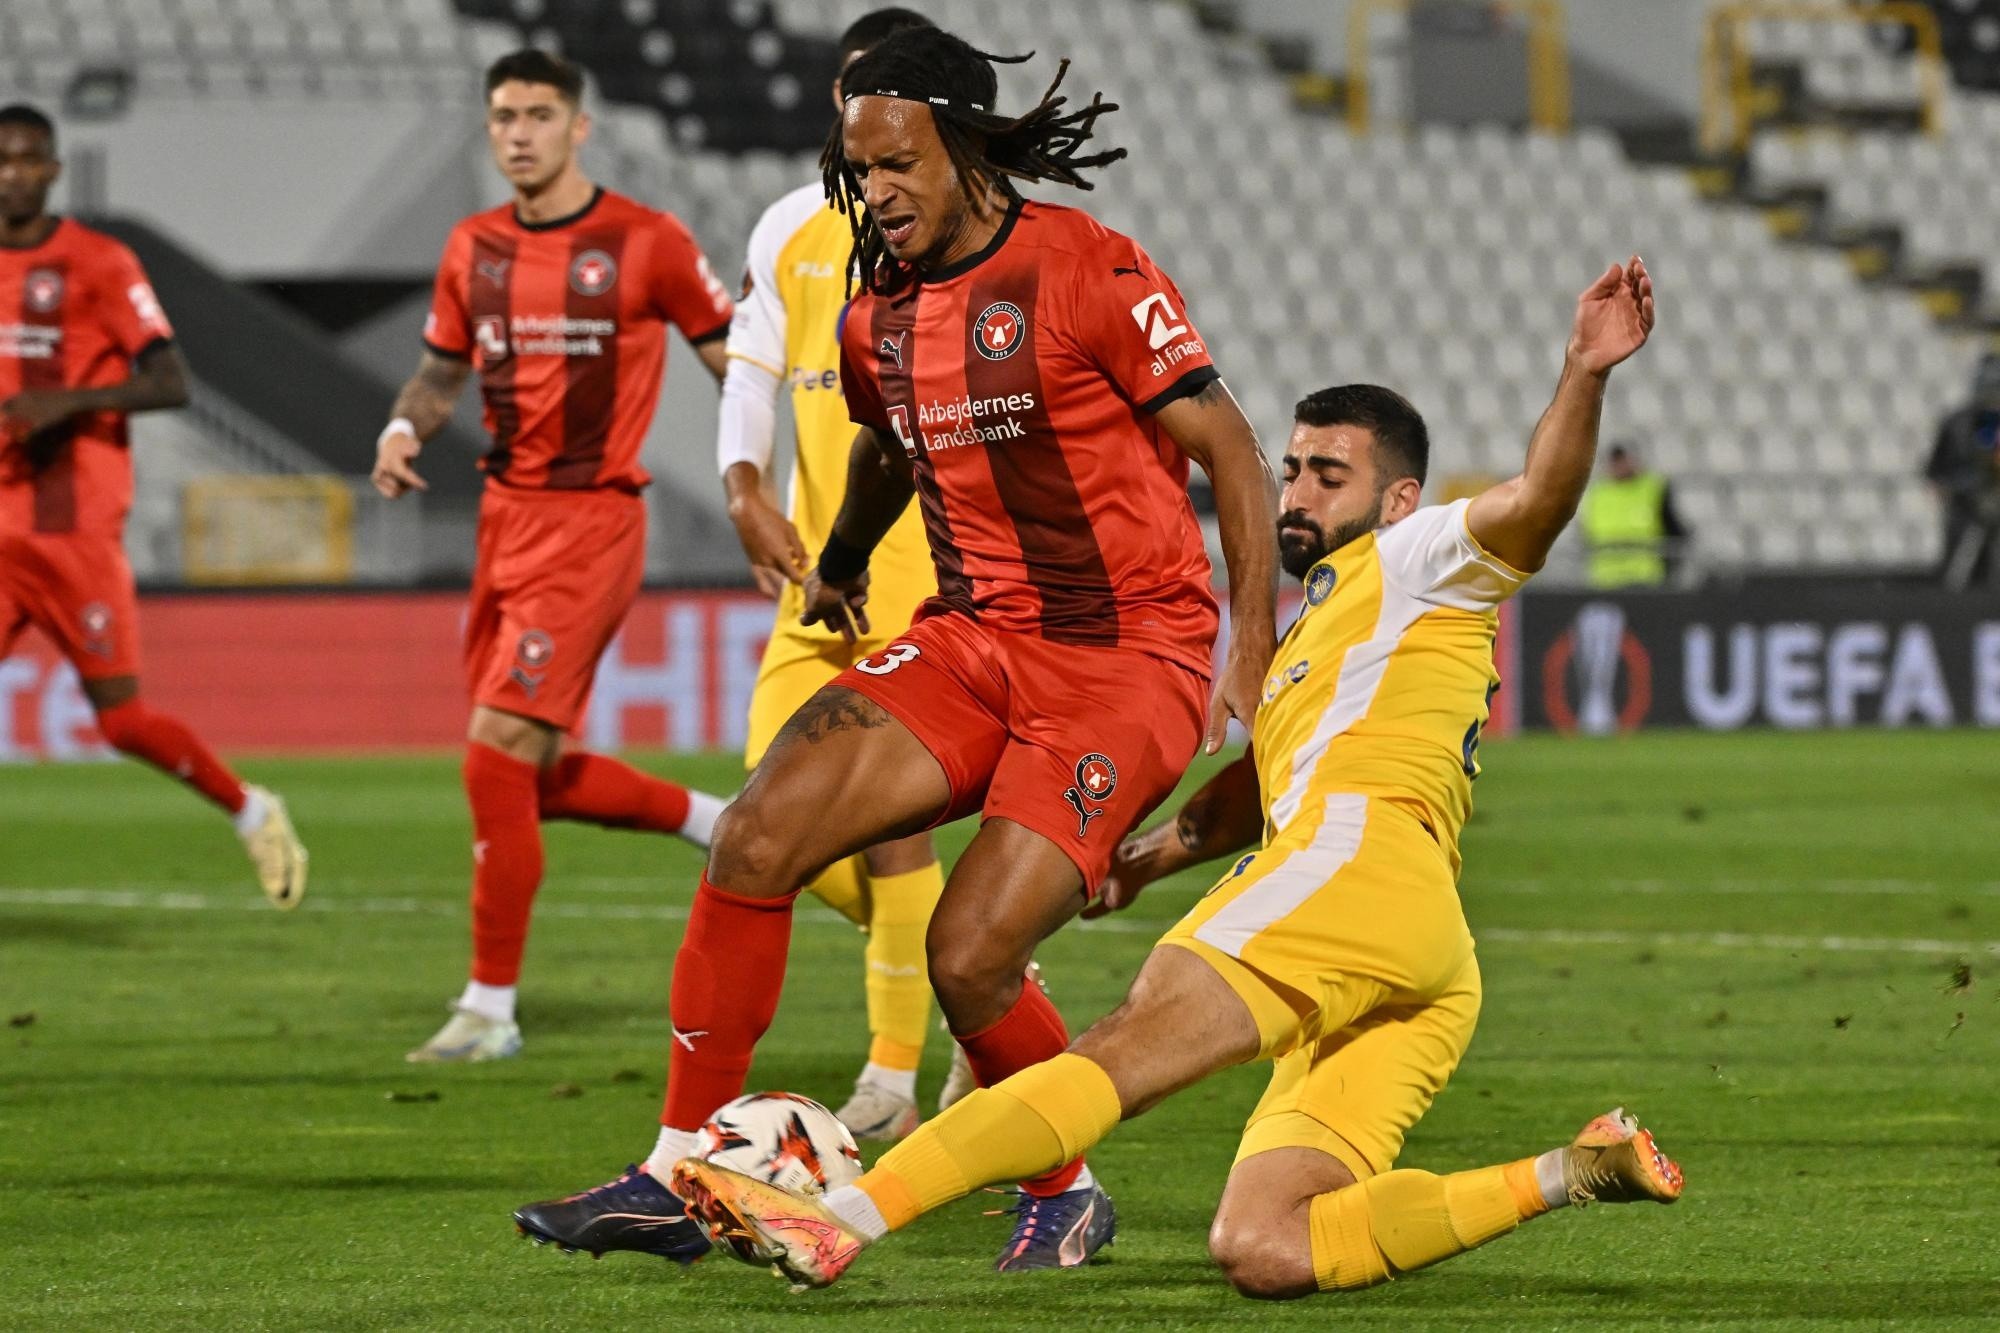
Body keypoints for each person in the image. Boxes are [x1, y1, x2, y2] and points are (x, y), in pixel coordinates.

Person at [670, 259, 1686, 1299]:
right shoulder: (1326, 632)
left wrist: (1582, 373)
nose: (1293, 493)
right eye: (1288, 469)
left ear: (1400, 497)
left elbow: (1536, 501)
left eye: (1326, 475)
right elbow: (1249, 790)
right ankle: (1572, 1168)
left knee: (1108, 1061)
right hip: (1426, 949)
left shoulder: (1420, 557)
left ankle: (837, 1217)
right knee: (1264, 1247)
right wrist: (1142, 860)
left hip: (1351, 865)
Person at [514, 26, 1279, 1272]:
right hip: (973, 638)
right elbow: (885, 441)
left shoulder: (1088, 269)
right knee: (757, 834)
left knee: (968, 954)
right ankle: (671, 1171)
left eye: (892, 164)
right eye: (854, 170)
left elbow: (1232, 450)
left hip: (1125, 657)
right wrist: (847, 558)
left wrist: (1248, 641)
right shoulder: (879, 315)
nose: (870, 193)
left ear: (965, 144)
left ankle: (1060, 1177)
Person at [372, 51, 734, 1065]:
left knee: (493, 754)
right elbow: (437, 377)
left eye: (538, 114)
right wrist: (400, 431)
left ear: (580, 127)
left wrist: (761, 480)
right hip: (502, 519)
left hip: (590, 524)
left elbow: (731, 363)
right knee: (521, 774)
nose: (518, 133)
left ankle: (490, 1009)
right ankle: (712, 819)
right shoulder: (472, 248)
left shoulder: (647, 242)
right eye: (502, 116)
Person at [716, 6, 973, 1143]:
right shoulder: (788, 227)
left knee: (890, 828)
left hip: (920, 576)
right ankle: (983, 985)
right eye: (849, 89)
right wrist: (741, 484)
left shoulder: (942, 230)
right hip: (815, 579)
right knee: (769, 809)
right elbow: (750, 363)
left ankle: (889, 1069)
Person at [0, 102, 306, 906]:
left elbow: (171, 382)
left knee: (122, 721)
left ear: (53, 170)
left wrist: (63, 404)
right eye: (1, 161)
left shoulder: (99, 262)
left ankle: (248, 808)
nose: (13, 175)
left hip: (74, 534)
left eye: (28, 160)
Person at [1924, 353, 2000, 589]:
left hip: (1995, 504)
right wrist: (1952, 488)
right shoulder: (1957, 422)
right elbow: (1935, 469)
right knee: (1958, 572)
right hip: (1964, 506)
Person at [1576, 442, 1685, 588]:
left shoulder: (1654, 488)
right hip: (1606, 579)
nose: (1620, 466)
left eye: (1623, 460)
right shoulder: (1597, 493)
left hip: (1645, 577)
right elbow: (1585, 533)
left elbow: (1673, 530)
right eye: (1616, 461)